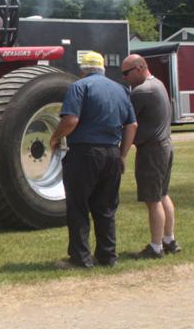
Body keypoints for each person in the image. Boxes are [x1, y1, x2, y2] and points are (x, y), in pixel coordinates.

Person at [49, 51, 137, 268]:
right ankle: (107, 256)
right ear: (103, 68)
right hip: (112, 153)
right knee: (106, 207)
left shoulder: (79, 87)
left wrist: (55, 137)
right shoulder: (121, 90)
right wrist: (122, 155)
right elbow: (132, 125)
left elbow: (71, 120)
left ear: (83, 70)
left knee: (78, 207)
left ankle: (81, 259)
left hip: (85, 153)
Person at [122, 54, 181, 259]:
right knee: (163, 194)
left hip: (152, 150)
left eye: (126, 73)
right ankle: (169, 240)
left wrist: (122, 152)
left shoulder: (141, 92)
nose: (124, 78)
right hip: (165, 146)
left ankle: (156, 248)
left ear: (139, 68)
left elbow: (127, 122)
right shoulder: (158, 84)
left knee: (152, 199)